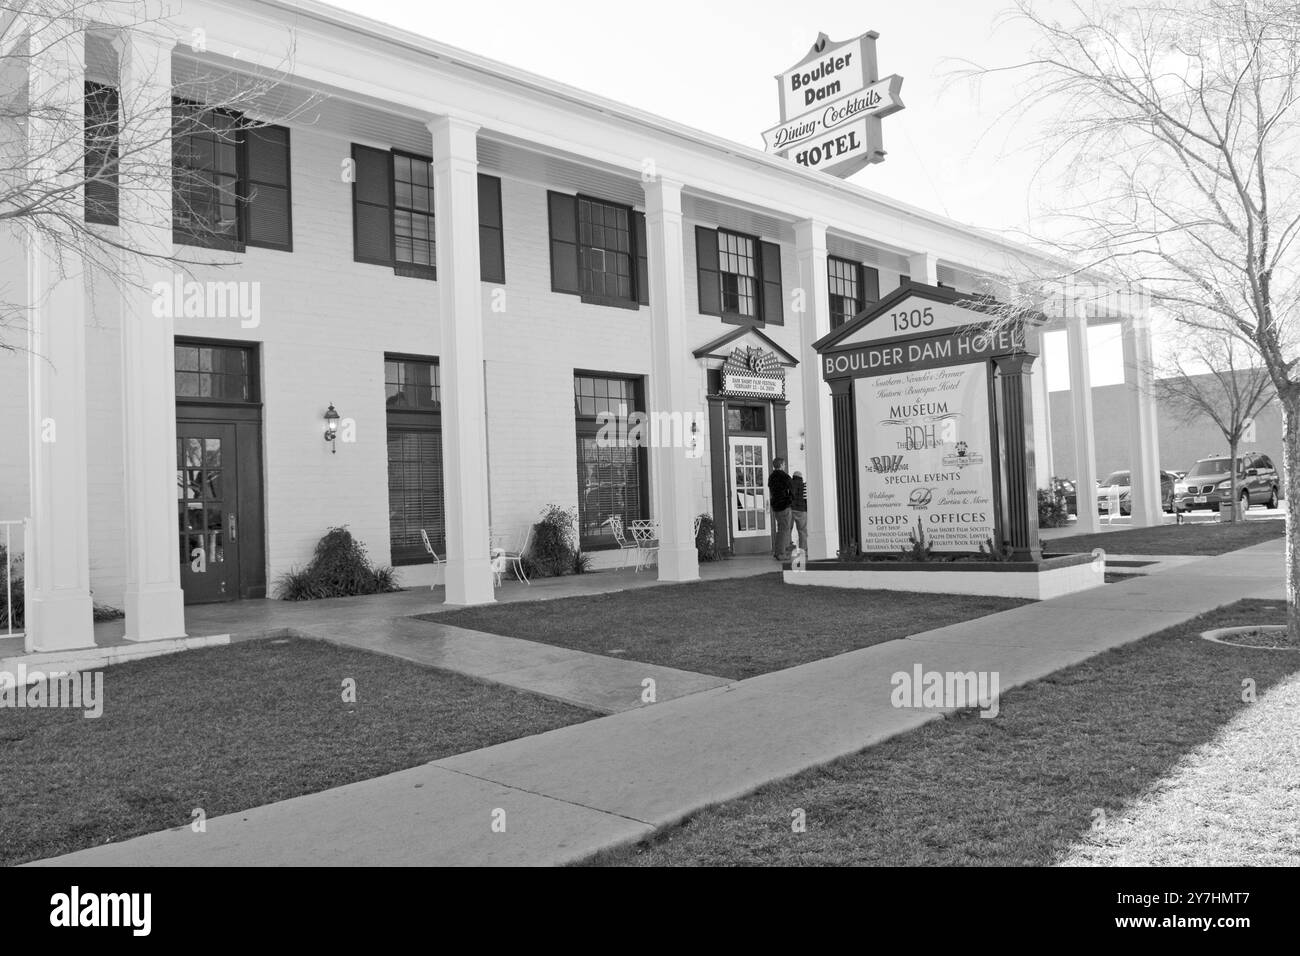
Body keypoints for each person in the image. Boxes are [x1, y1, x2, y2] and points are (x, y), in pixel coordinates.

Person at [767, 457, 794, 561]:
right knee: (785, 529)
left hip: (776, 506)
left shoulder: (771, 477)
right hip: (784, 506)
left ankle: (777, 551)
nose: (785, 466)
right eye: (784, 464)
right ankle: (781, 553)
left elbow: (771, 490)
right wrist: (790, 501)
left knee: (781, 528)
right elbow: (792, 490)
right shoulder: (785, 476)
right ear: (782, 465)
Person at [791, 470, 808, 553]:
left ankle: (787, 547)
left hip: (791, 509)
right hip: (802, 510)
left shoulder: (789, 484)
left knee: (788, 530)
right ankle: (803, 549)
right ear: (801, 477)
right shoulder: (804, 485)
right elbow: (806, 499)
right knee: (802, 530)